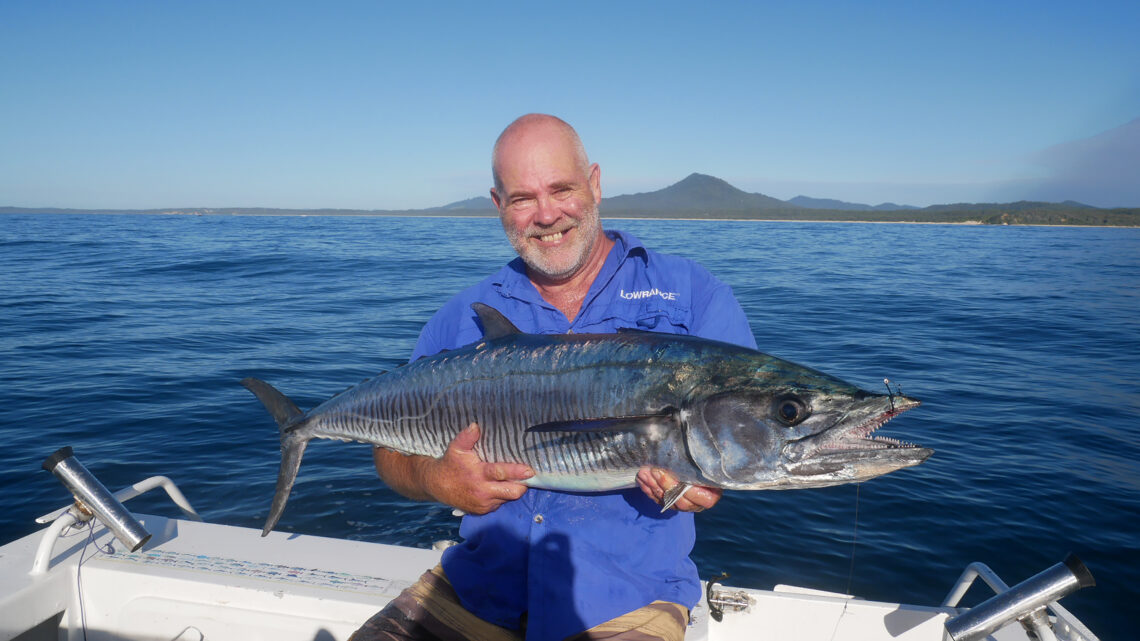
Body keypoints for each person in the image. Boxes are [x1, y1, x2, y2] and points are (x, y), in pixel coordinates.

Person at [351, 114, 757, 641]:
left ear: (594, 183)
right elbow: (389, 453)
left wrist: (705, 484)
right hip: (474, 589)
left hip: (628, 600)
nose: (546, 215)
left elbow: (742, 433)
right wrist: (435, 479)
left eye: (561, 189)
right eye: (523, 198)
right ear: (498, 204)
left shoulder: (694, 296)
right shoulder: (462, 318)